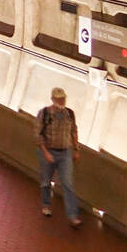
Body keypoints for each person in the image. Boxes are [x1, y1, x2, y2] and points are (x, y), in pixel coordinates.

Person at [36, 88, 81, 227]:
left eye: (63, 99)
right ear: (53, 99)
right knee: (46, 181)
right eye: (59, 99)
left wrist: (76, 149)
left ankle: (73, 215)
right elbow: (38, 135)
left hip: (65, 152)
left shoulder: (69, 114)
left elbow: (74, 131)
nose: (62, 101)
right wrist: (46, 152)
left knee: (68, 183)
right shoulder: (44, 113)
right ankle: (46, 204)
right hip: (48, 150)